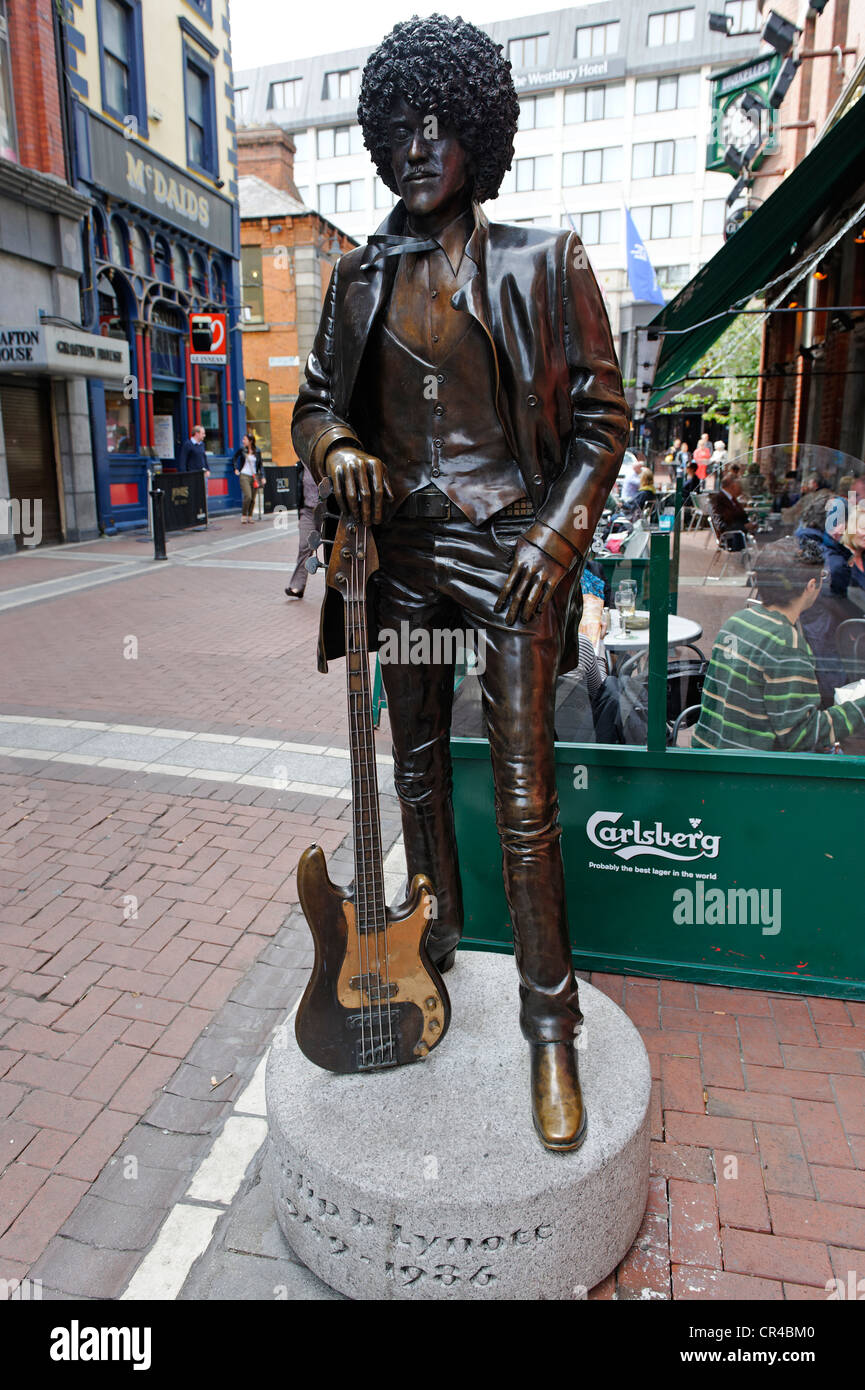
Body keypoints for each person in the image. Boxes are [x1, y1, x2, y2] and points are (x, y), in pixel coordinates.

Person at [291, 14, 630, 1151]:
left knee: (527, 803)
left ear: (479, 137)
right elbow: (315, 403)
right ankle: (431, 956)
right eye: (400, 128)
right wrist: (334, 448)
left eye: (441, 127)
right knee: (420, 776)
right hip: (403, 570)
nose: (420, 147)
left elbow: (600, 419)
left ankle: (550, 1031)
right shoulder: (353, 278)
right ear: (383, 140)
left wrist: (554, 540)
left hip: (509, 557)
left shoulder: (545, 262)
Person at [692, 537, 865, 753]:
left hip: (715, 757)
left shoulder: (737, 621)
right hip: (756, 771)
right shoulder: (786, 643)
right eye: (821, 576)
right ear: (811, 586)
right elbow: (802, 736)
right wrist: (860, 709)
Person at [285, 462, 320, 598]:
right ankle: (297, 586)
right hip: (308, 511)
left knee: (333, 550)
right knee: (304, 546)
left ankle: (335, 588)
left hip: (327, 512)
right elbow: (299, 489)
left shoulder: (326, 462)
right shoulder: (302, 465)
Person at [710, 472, 752, 551]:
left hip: (738, 531)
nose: (741, 489)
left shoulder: (732, 499)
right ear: (732, 486)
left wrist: (748, 523)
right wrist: (743, 526)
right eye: (739, 486)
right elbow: (722, 524)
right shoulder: (719, 499)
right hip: (731, 536)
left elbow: (740, 515)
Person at [232, 433, 262, 524]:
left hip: (254, 476)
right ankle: (244, 515)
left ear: (250, 441)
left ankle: (250, 516)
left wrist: (263, 477)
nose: (243, 441)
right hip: (244, 475)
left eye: (245, 439)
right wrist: (236, 468)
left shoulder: (257, 451)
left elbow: (260, 465)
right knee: (248, 496)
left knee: (253, 498)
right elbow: (235, 457)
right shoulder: (242, 450)